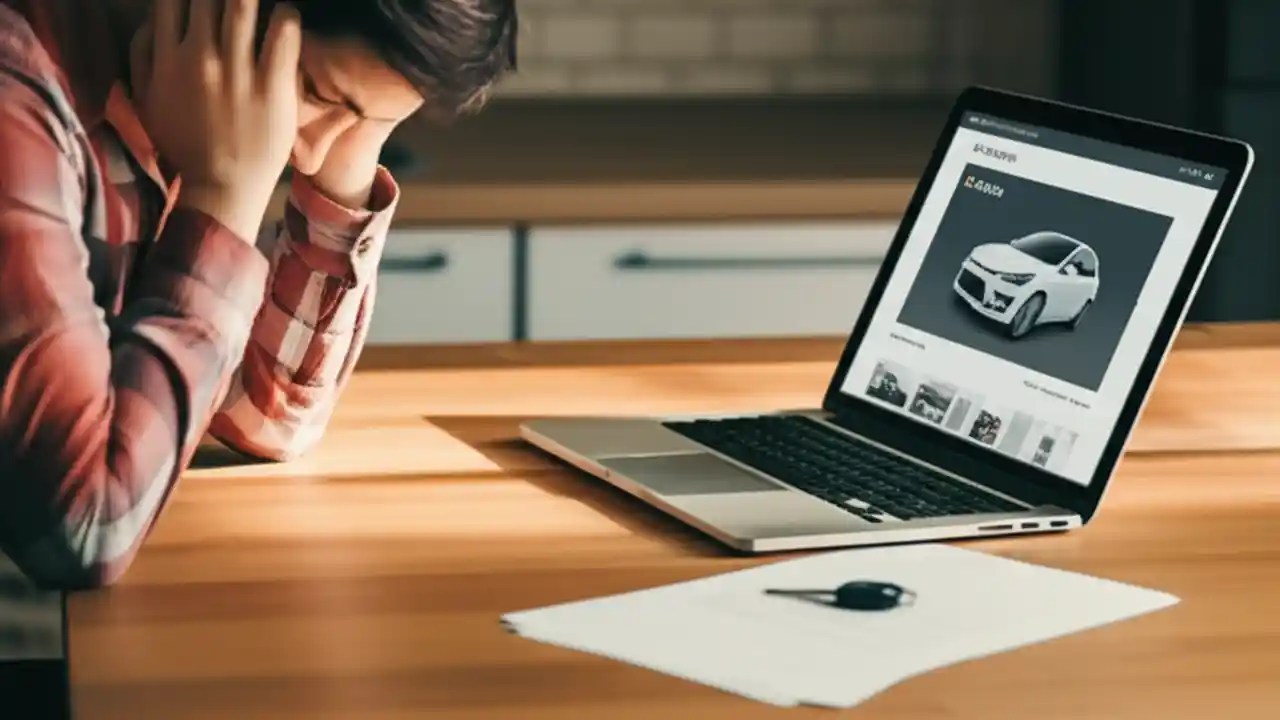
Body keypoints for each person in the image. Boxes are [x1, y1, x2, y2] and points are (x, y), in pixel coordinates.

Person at [0, 0, 518, 590]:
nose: (308, 155)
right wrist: (224, 194)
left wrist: (357, 137)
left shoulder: (166, 84)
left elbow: (262, 418)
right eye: (318, 92)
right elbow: (85, 530)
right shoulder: (17, 103)